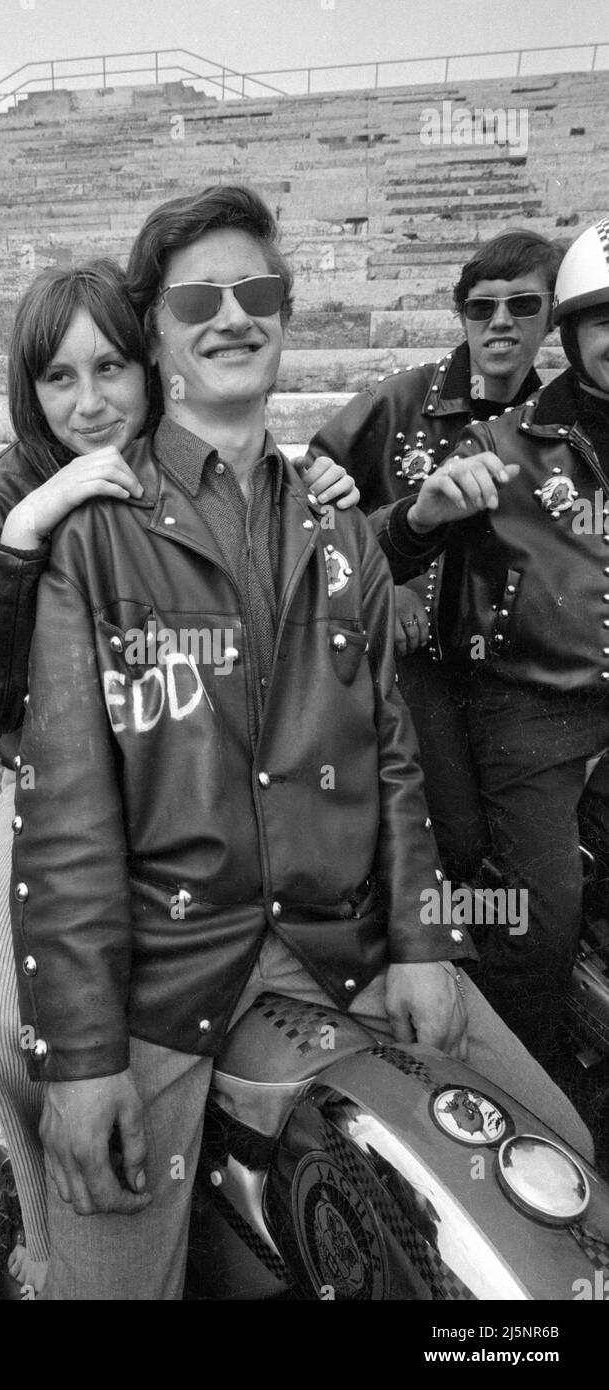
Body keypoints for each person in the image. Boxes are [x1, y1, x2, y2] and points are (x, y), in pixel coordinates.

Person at [9, 185, 591, 1301]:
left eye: (257, 290)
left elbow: (390, 752)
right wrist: (81, 1065)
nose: (232, 315)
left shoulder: (335, 524)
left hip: (349, 943)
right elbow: (66, 816)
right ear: (156, 331)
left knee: (559, 1174)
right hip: (167, 980)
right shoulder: (93, 534)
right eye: (198, 298)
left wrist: (423, 941)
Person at [0, 259, 357, 1296]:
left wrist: (327, 497)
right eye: (57, 378)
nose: (89, 403)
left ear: (146, 366)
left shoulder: (194, 464)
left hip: (199, 780)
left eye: (110, 367)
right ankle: (45, 1231)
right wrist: (27, 532)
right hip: (54, 792)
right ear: (24, 391)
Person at [386, 218, 609, 1072]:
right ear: (575, 330)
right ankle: (524, 1084)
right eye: (604, 322)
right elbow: (365, 553)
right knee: (538, 916)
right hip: (533, 706)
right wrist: (417, 519)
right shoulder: (500, 446)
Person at [303, 231, 563, 883]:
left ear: (553, 314)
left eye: (523, 305)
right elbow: (310, 500)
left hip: (511, 663)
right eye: (481, 308)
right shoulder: (400, 401)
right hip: (413, 656)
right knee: (460, 834)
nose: (501, 322)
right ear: (463, 317)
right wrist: (381, 584)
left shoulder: (556, 426)